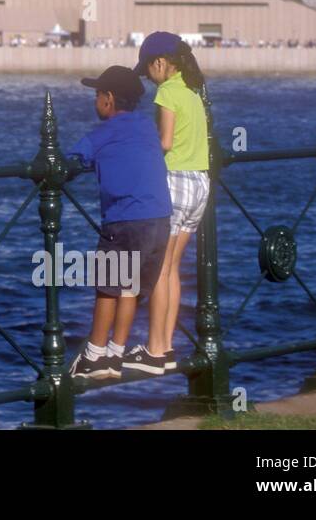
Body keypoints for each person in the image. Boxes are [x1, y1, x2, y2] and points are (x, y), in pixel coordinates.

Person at [66, 66, 172, 379]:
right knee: (130, 287)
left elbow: (71, 158)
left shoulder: (103, 133)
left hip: (124, 220)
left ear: (109, 99)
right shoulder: (146, 127)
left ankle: (94, 354)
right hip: (159, 218)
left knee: (106, 288)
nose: (95, 101)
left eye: (97, 95)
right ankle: (116, 352)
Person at [124, 31, 209, 375]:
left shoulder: (167, 93)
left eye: (147, 68)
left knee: (159, 268)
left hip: (174, 182)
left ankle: (155, 351)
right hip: (199, 184)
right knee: (172, 268)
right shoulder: (192, 93)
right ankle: (167, 347)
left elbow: (165, 142)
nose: (146, 75)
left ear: (161, 63)